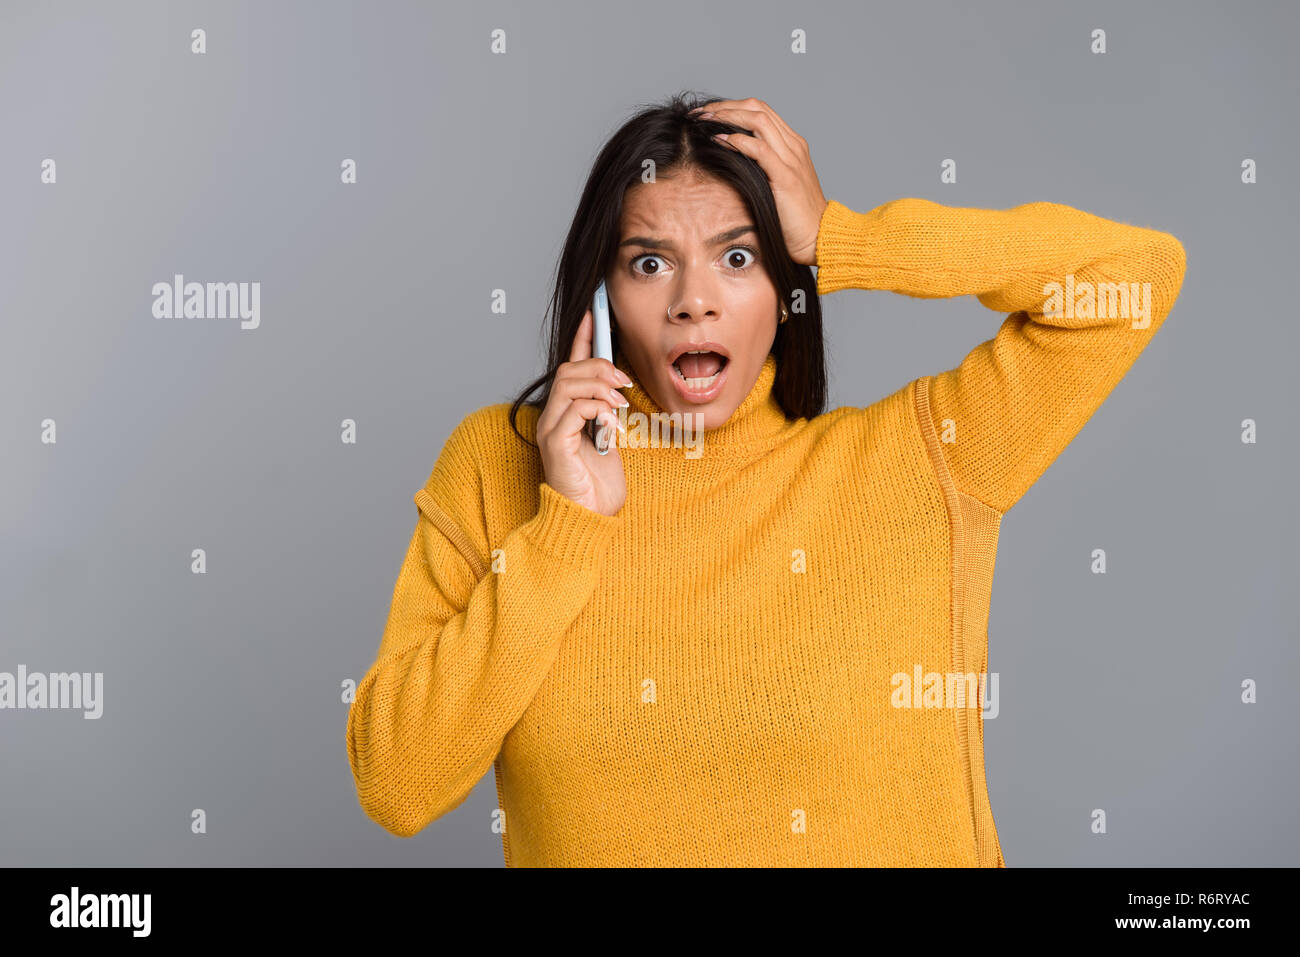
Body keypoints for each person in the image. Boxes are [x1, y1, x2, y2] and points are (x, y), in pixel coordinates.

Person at [345, 92, 1186, 866]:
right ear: (597, 297)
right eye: (648, 263)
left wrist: (844, 239)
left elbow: (1137, 272)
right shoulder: (503, 466)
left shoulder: (921, 460)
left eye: (737, 257)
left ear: (787, 289)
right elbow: (397, 784)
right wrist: (566, 529)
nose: (693, 301)